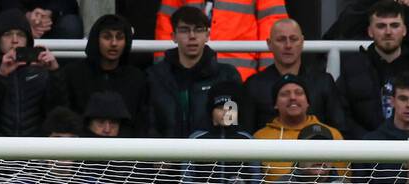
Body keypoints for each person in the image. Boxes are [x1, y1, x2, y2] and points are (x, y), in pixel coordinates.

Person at [336, 1, 409, 138]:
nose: (388, 32)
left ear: (404, 30)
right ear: (370, 31)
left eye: (394, 25)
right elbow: (341, 115)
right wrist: (368, 142)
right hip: (363, 152)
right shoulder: (352, 68)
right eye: (381, 26)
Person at [146, 4, 244, 138]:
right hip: (165, 156)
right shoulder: (154, 77)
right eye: (184, 30)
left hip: (211, 156)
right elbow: (148, 126)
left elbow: (236, 127)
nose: (192, 36)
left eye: (198, 30)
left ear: (207, 35)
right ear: (173, 36)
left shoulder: (227, 75)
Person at [244, 18, 346, 134]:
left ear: (302, 42)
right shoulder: (254, 85)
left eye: (293, 39)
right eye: (281, 40)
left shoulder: (323, 82)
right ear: (269, 44)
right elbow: (245, 135)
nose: (288, 45)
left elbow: (339, 131)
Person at [155, 0, 288, 81]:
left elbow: (273, 27)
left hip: (240, 79)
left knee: (230, 124)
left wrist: (270, 78)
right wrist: (163, 74)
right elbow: (167, 25)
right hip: (187, 78)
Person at [62, 14, 147, 135]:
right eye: (107, 37)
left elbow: (140, 122)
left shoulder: (137, 78)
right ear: (96, 39)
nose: (114, 43)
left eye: (120, 37)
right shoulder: (73, 73)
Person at [0, 8, 66, 138]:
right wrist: (1, 76)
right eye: (8, 34)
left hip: (35, 149)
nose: (14, 40)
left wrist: (54, 72)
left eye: (20, 34)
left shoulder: (40, 70)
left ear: (28, 40)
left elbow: (58, 113)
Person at [254, 75, 345, 180]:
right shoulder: (260, 137)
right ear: (275, 104)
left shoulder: (332, 134)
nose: (292, 97)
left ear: (308, 102)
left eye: (299, 93)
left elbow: (342, 181)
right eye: (284, 94)